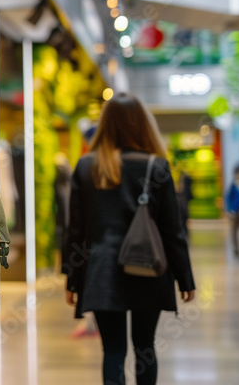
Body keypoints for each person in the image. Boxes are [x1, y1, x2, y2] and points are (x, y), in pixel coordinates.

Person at [64, 93, 196, 385]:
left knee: (112, 349)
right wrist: (185, 280)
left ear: (105, 124)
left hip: (100, 272)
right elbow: (172, 232)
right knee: (145, 346)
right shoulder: (156, 167)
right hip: (147, 268)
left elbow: (75, 229)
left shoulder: (87, 167)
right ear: (142, 125)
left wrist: (72, 279)